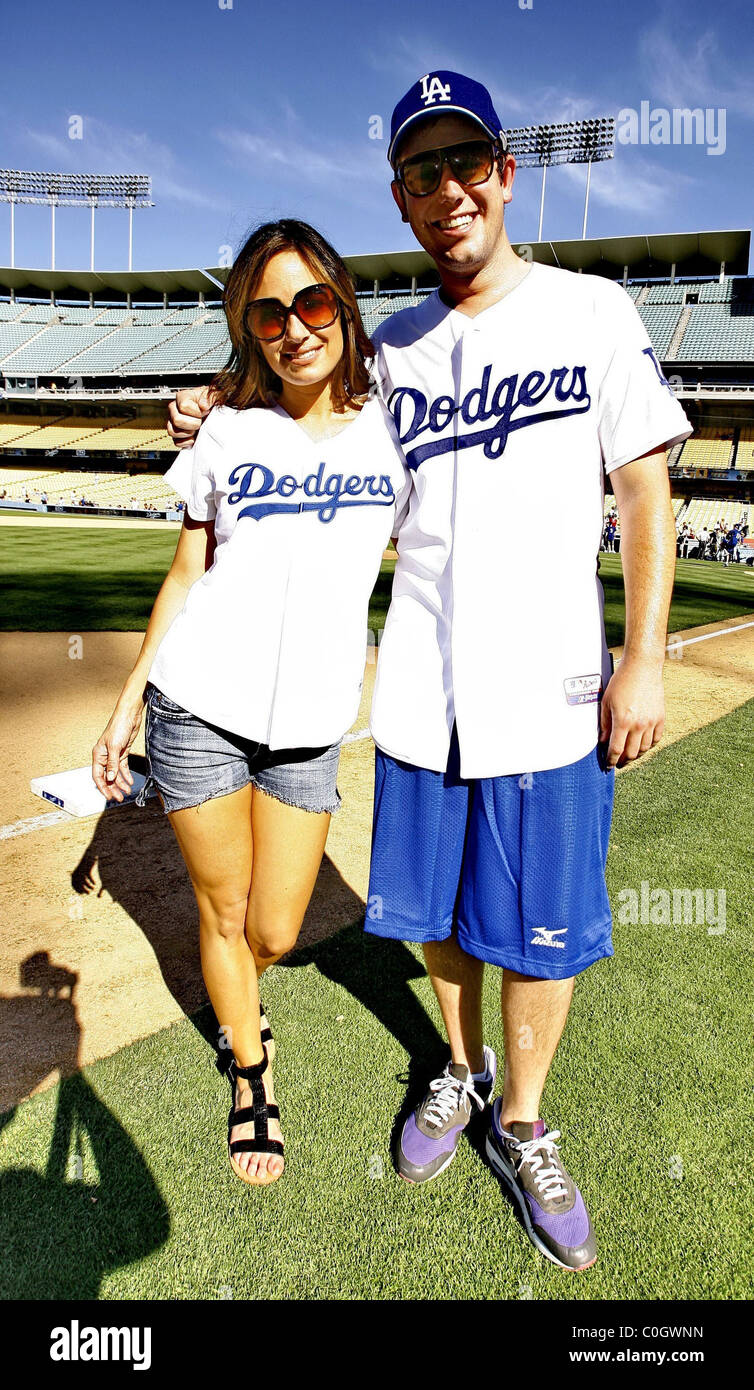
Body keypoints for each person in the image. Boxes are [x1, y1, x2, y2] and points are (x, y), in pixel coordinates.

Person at [167, 71, 692, 1270]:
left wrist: (645, 659)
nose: (447, 188)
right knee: (443, 925)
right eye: (421, 173)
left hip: (557, 683)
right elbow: (298, 408)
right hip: (420, 690)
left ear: (504, 175)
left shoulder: (592, 312)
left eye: (466, 164)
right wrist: (208, 403)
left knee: (541, 932)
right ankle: (459, 1071)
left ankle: (523, 1116)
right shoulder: (390, 347)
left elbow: (644, 492)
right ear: (400, 201)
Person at [93, 218, 410, 1189]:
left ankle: (244, 1001)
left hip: (310, 725)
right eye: (268, 313)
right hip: (199, 708)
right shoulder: (227, 428)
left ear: (345, 311)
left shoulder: (397, 426)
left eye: (314, 303)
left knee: (275, 927)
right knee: (221, 912)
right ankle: (251, 1070)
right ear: (249, 328)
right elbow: (187, 570)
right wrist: (128, 699)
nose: (295, 328)